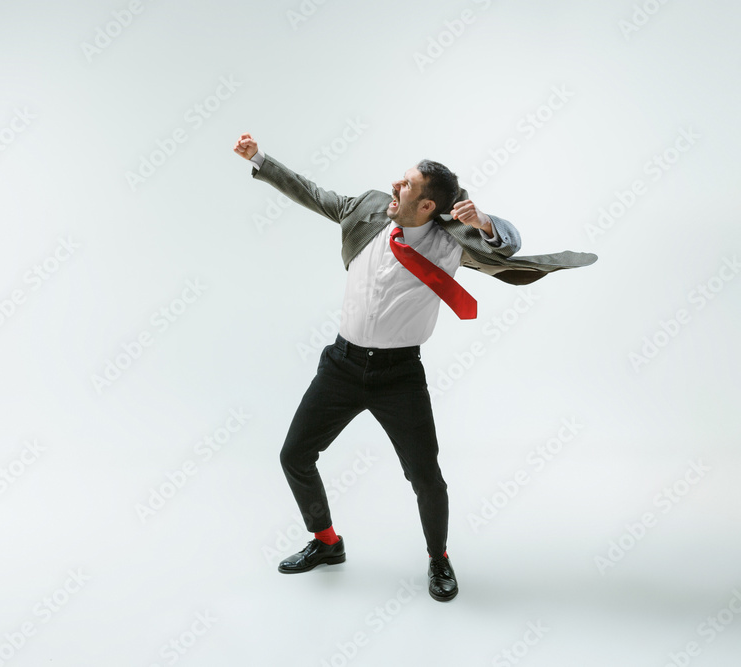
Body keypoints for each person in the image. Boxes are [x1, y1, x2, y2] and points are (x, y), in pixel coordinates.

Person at [233, 132, 595, 601]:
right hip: (340, 365)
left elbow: (507, 245)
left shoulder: (450, 242)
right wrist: (260, 158)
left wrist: (483, 221)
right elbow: (313, 193)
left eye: (405, 184)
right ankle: (326, 543)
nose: (394, 186)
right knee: (294, 455)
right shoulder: (367, 209)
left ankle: (438, 559)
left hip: (398, 376)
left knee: (426, 477)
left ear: (427, 206)